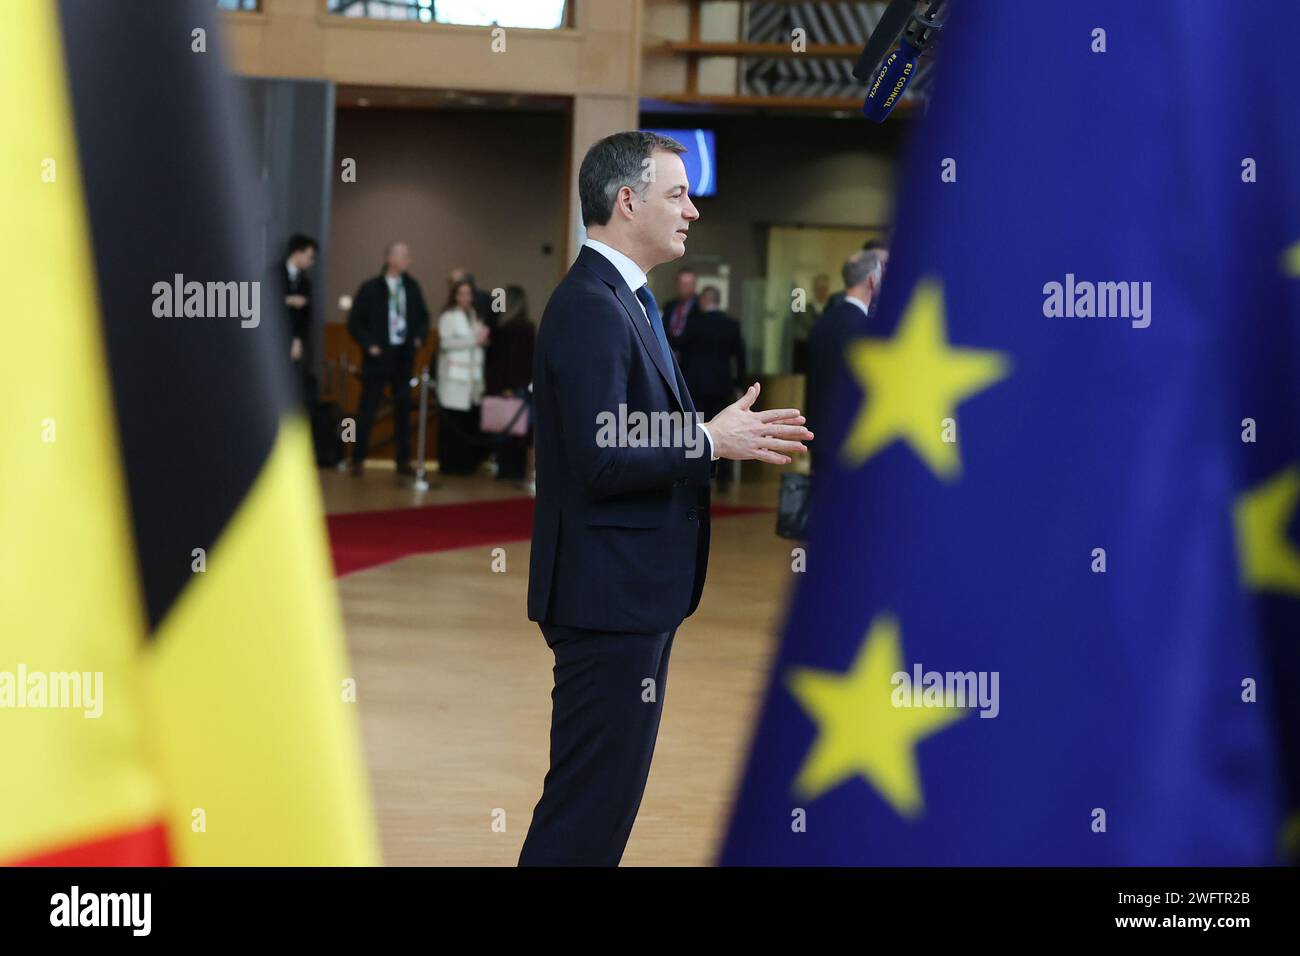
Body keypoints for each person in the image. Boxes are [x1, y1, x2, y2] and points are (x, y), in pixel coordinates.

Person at [519, 130, 812, 866]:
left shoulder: (624, 298)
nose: (693, 213)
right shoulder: (592, 304)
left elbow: (625, 429)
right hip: (606, 597)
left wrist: (714, 432)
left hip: (632, 594)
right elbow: (600, 451)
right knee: (587, 809)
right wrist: (709, 441)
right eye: (678, 194)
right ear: (627, 201)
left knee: (602, 805)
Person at [346, 241, 430, 479]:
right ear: (390, 258)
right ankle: (357, 458)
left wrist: (418, 338)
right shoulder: (371, 288)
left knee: (402, 410)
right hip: (378, 357)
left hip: (403, 355)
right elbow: (355, 322)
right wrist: (369, 345)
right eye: (404, 255)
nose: (408, 260)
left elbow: (423, 317)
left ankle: (403, 460)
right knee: (368, 409)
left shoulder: (412, 287)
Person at [806, 250, 882, 483]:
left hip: (820, 434)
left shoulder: (822, 322)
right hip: (853, 439)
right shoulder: (868, 329)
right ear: (871, 280)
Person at [675, 285, 746, 491]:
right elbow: (740, 357)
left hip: (695, 385)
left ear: (703, 301)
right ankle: (724, 479)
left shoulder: (694, 324)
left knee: (697, 430)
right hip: (722, 385)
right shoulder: (731, 324)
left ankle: (698, 476)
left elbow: (681, 350)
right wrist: (739, 383)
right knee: (725, 428)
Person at [436, 278, 489, 475]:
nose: (465, 298)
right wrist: (472, 340)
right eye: (461, 293)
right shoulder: (449, 316)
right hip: (453, 378)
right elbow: (446, 344)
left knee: (466, 423)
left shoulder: (474, 315)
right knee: (452, 424)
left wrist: (479, 342)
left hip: (471, 379)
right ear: (455, 295)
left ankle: (464, 465)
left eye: (469, 294)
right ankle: (449, 465)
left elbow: (476, 344)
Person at [483, 284, 535, 482]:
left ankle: (507, 471)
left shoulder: (508, 329)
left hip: (507, 386)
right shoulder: (526, 327)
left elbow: (508, 361)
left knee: (506, 433)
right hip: (520, 386)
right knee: (518, 433)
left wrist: (508, 387)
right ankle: (516, 472)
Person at [280, 233, 317, 406]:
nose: (311, 262)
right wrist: (287, 300)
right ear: (297, 253)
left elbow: (305, 317)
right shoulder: (274, 274)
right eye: (309, 256)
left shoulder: (305, 282)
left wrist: (298, 339)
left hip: (293, 340)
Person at [791, 273, 830, 375]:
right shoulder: (803, 312)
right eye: (819, 288)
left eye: (825, 288)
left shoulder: (832, 311)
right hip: (807, 364)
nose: (822, 291)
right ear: (814, 289)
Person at [660, 266, 699, 354]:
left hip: (691, 357)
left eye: (687, 284)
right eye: (681, 284)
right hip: (670, 354)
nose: (683, 288)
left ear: (694, 285)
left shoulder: (700, 307)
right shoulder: (669, 305)